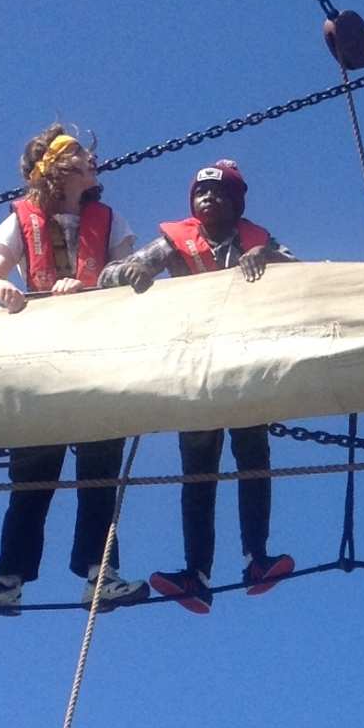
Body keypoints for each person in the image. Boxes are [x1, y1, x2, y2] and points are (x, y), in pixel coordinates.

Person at [0, 125, 147, 614]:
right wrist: (4, 291)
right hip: (43, 355)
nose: (90, 160)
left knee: (99, 470)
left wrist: (93, 286)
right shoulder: (21, 219)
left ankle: (100, 572)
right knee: (32, 474)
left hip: (98, 350)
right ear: (56, 168)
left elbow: (127, 275)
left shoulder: (109, 220)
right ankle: (9, 575)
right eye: (76, 154)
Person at [104, 160, 297, 613]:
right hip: (195, 366)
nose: (208, 200)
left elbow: (299, 269)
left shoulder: (258, 242)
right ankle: (196, 573)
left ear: (237, 204)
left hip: (244, 365)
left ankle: (257, 558)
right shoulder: (174, 243)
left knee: (252, 458)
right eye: (200, 195)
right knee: (198, 473)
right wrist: (134, 274)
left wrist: (266, 258)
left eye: (219, 195)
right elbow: (113, 274)